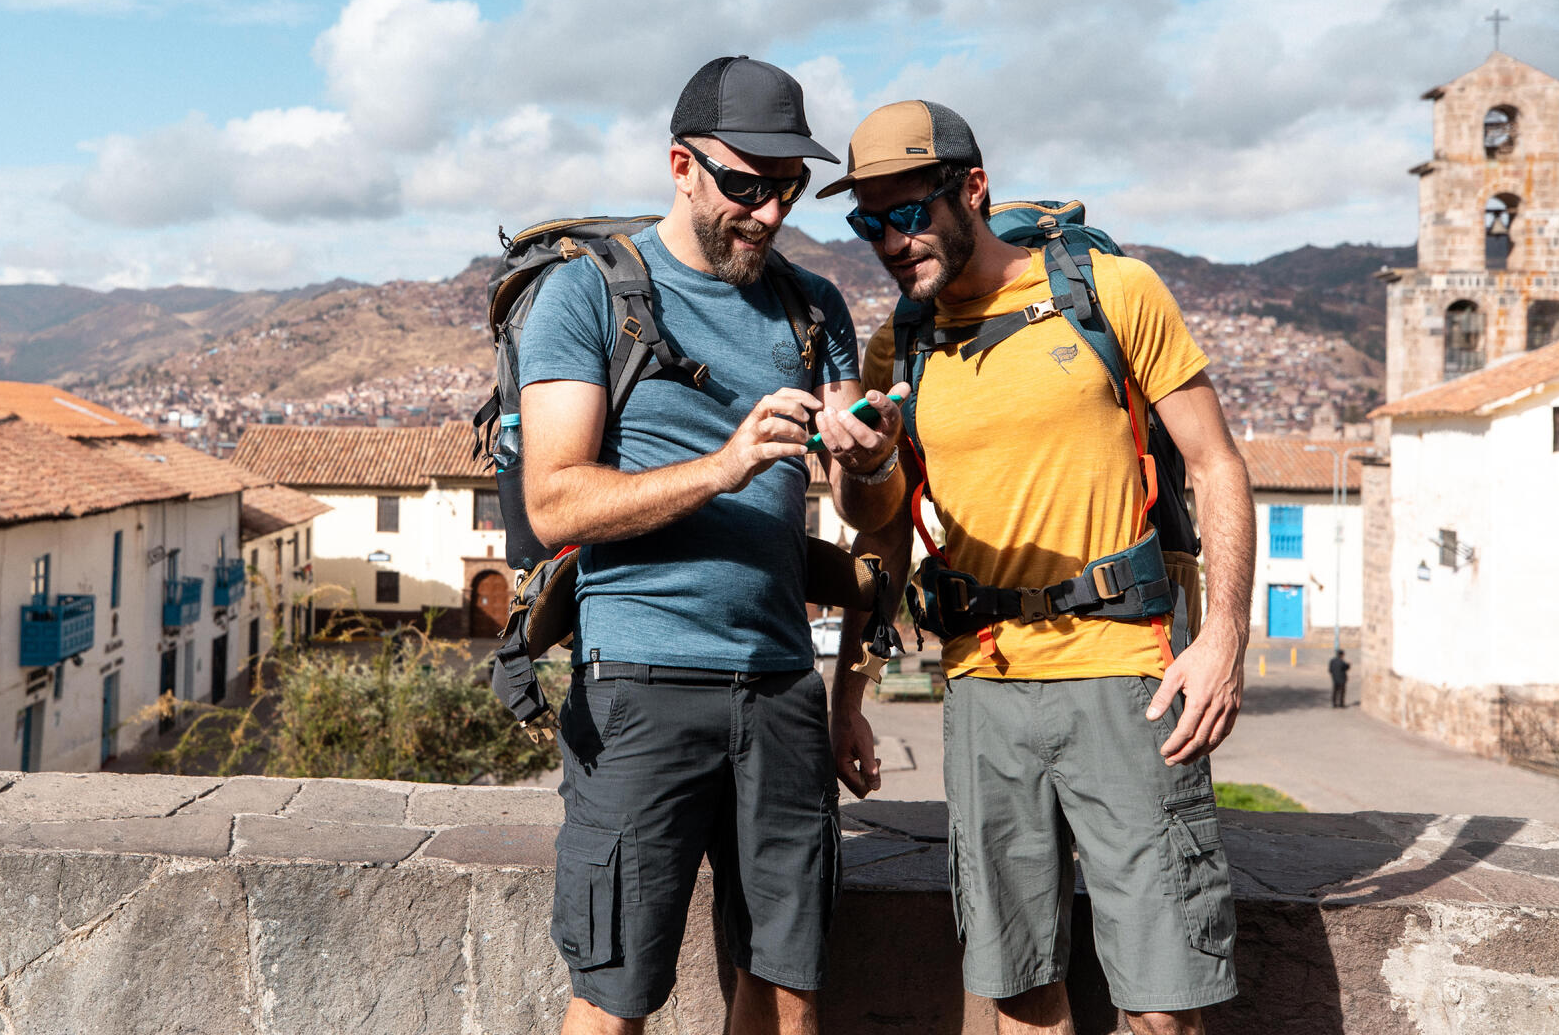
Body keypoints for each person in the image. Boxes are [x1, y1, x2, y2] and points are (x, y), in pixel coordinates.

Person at [823, 100, 1256, 1035]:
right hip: (983, 686)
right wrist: (848, 690)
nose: (892, 242)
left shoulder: (1113, 290)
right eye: (870, 223)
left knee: (1165, 1001)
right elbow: (882, 531)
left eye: (909, 213)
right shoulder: (899, 345)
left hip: (1127, 673)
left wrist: (1222, 637)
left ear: (971, 188)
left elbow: (1219, 462)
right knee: (1015, 993)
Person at [518, 56, 905, 1035]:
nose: (770, 212)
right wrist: (723, 464)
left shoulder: (814, 307)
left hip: (781, 686)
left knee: (789, 990)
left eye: (787, 188)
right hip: (639, 685)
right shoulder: (588, 295)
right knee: (614, 996)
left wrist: (870, 457)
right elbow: (554, 501)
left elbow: (867, 520)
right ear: (682, 164)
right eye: (747, 185)